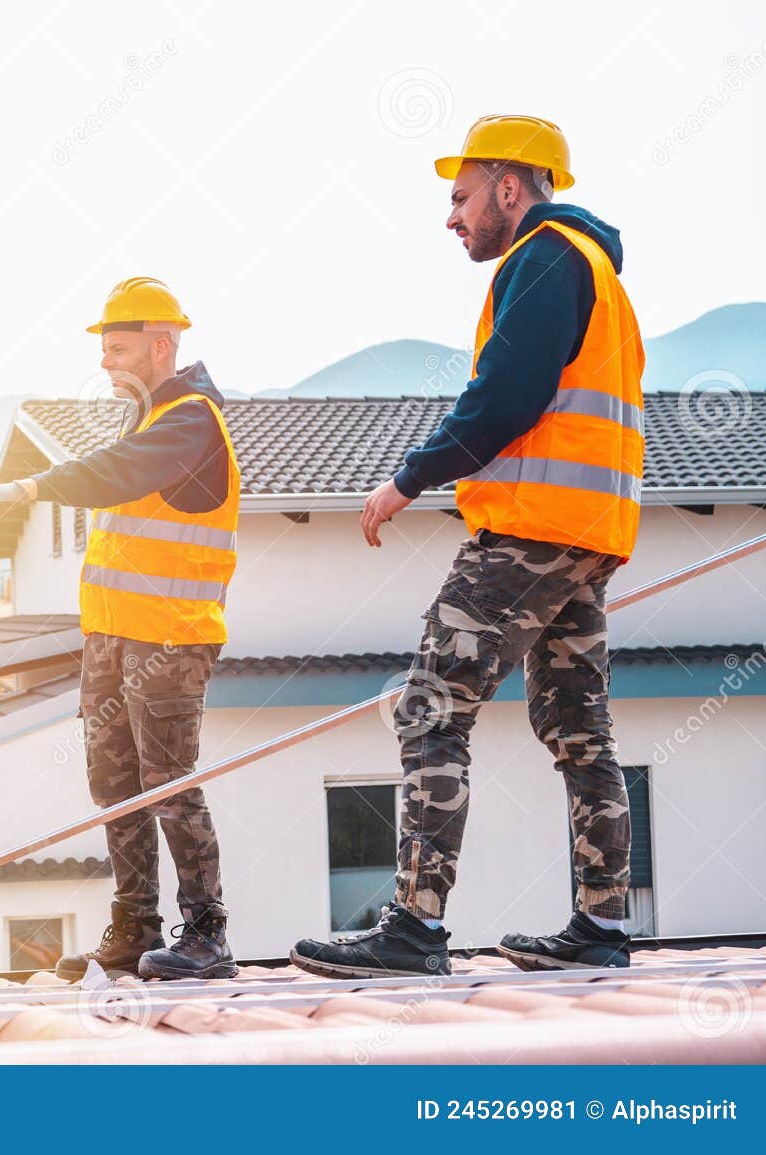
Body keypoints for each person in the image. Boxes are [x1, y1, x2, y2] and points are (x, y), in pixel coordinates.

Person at [290, 116, 644, 979]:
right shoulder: (593, 267)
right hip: (587, 538)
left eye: (461, 196)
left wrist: (410, 477)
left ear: (509, 187)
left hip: (528, 528)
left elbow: (506, 394)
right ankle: (601, 925)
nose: (453, 217)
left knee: (430, 706)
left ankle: (413, 926)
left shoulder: (548, 258)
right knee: (579, 728)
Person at [0, 277, 240, 981]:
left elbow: (114, 474)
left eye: (118, 349)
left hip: (168, 637)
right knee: (115, 784)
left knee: (167, 781)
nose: (107, 362)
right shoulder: (146, 419)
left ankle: (206, 933)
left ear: (162, 344)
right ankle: (136, 922)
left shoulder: (190, 419)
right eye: (104, 350)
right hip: (114, 638)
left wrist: (24, 488)